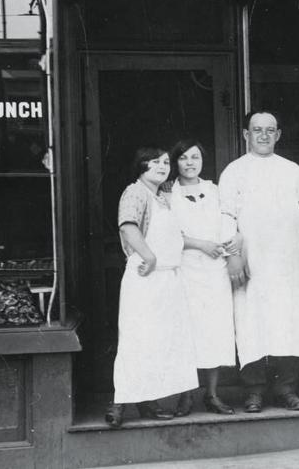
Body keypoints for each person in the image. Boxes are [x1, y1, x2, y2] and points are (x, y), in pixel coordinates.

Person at [218, 111, 299, 413]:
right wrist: (233, 256)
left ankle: (287, 389)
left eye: (270, 130)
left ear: (279, 135)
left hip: (289, 263)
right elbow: (226, 216)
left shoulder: (293, 170)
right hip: (253, 264)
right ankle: (254, 391)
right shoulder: (233, 172)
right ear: (246, 135)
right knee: (252, 324)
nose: (264, 135)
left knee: (289, 323)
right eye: (257, 130)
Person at [105, 147, 199, 428]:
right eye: (155, 162)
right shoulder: (135, 192)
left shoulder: (163, 198)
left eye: (167, 162)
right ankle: (119, 403)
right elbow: (128, 226)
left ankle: (148, 401)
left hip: (166, 279)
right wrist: (148, 255)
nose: (163, 166)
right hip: (145, 276)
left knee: (159, 342)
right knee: (137, 339)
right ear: (141, 165)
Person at [168, 139, 240, 416]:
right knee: (188, 333)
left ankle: (212, 394)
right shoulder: (168, 193)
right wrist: (200, 244)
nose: (189, 163)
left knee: (215, 331)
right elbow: (168, 234)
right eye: (184, 158)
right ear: (176, 162)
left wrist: (231, 242)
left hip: (215, 270)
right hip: (185, 269)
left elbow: (229, 221)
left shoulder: (214, 190)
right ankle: (186, 396)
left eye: (195, 157)